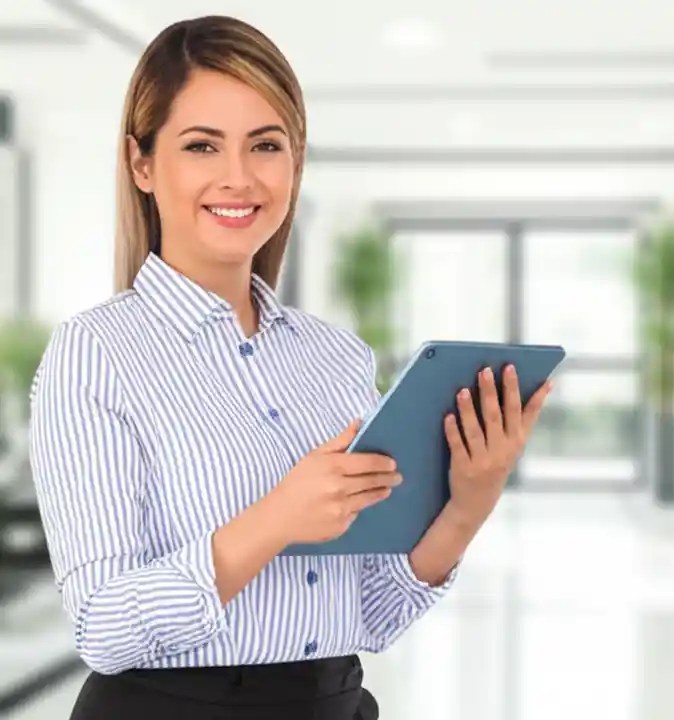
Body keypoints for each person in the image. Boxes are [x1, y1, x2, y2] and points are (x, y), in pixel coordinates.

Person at [27, 15, 551, 719]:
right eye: (202, 145)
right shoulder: (95, 355)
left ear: (295, 162)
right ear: (142, 164)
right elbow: (103, 626)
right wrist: (277, 518)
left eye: (266, 145)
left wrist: (469, 501)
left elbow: (372, 613)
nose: (238, 177)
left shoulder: (336, 358)